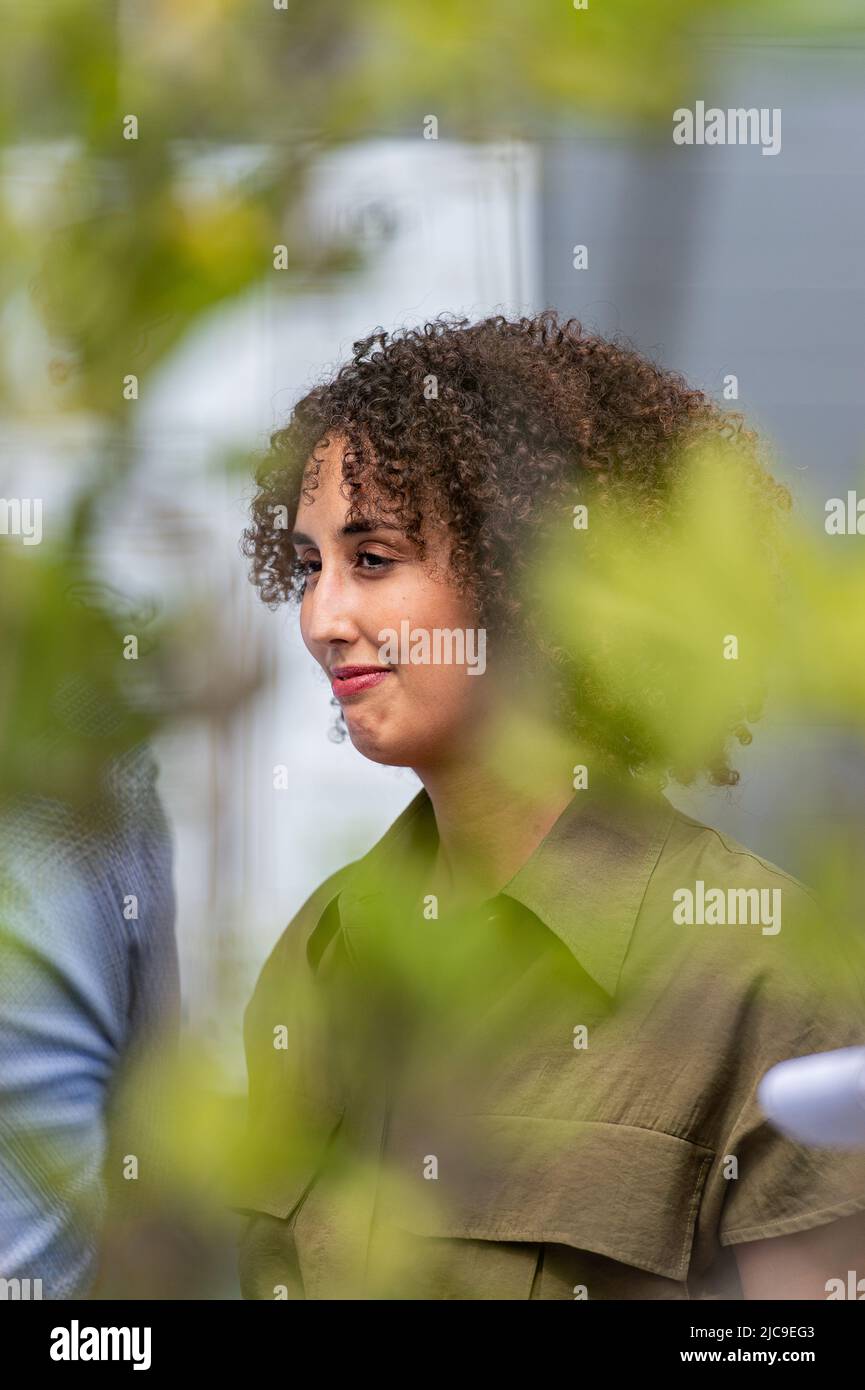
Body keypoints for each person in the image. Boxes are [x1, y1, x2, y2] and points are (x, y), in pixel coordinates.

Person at [235, 310, 865, 1300]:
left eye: (373, 558)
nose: (321, 618)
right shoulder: (320, 952)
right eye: (309, 565)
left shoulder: (762, 975)